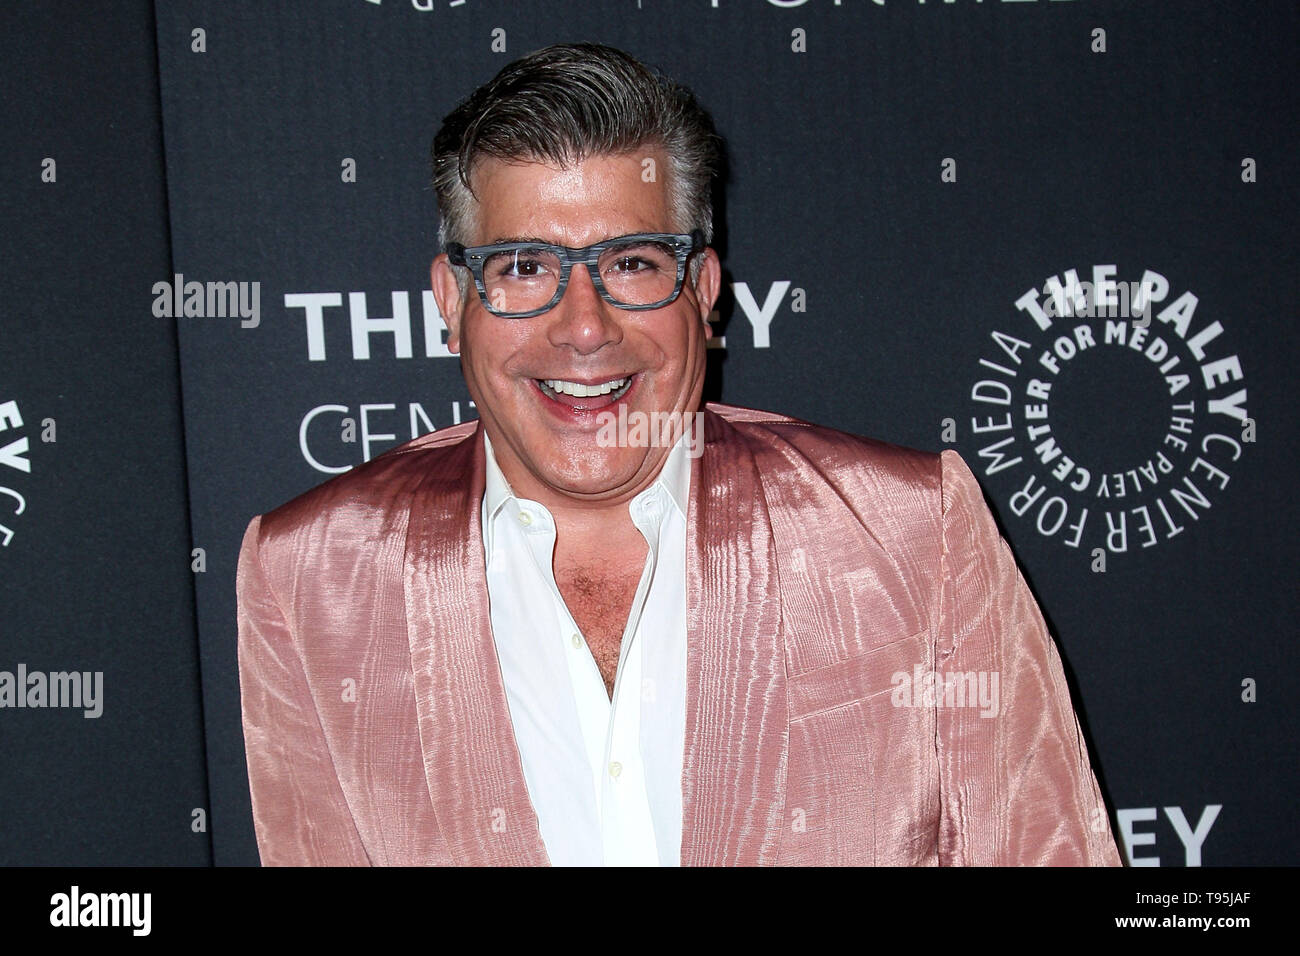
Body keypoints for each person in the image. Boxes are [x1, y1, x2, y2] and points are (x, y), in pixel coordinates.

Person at [236, 42, 1122, 867]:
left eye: (631, 263)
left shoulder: (910, 534)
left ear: (702, 290)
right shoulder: (311, 579)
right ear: (450, 300)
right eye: (522, 268)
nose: (583, 327)